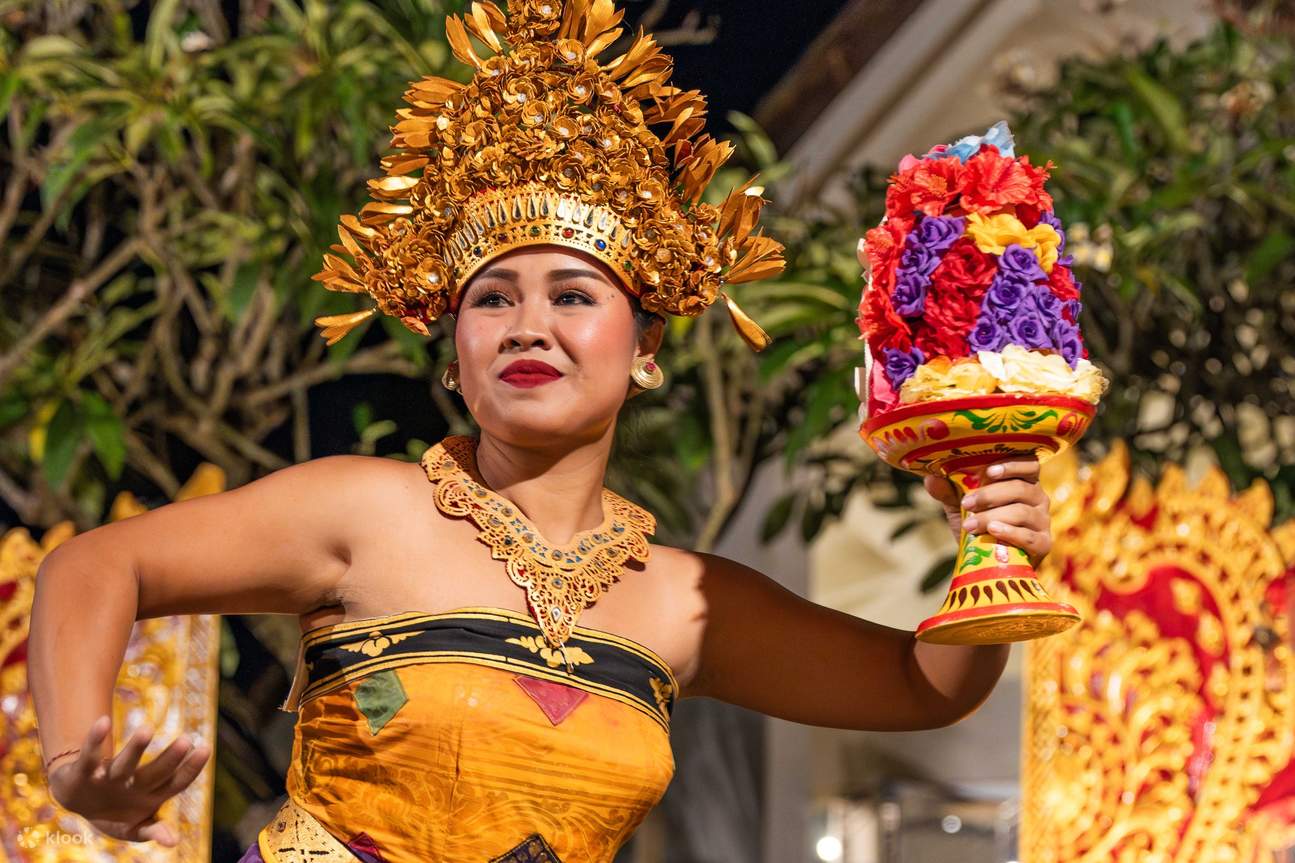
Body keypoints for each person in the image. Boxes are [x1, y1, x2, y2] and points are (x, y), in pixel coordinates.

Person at [27, 1, 1054, 860]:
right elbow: (94, 564)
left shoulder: (685, 601)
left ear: (643, 345)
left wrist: (986, 542)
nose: (527, 325)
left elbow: (921, 687)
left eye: (571, 294)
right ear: (454, 352)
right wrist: (75, 764)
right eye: (491, 299)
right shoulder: (364, 513)